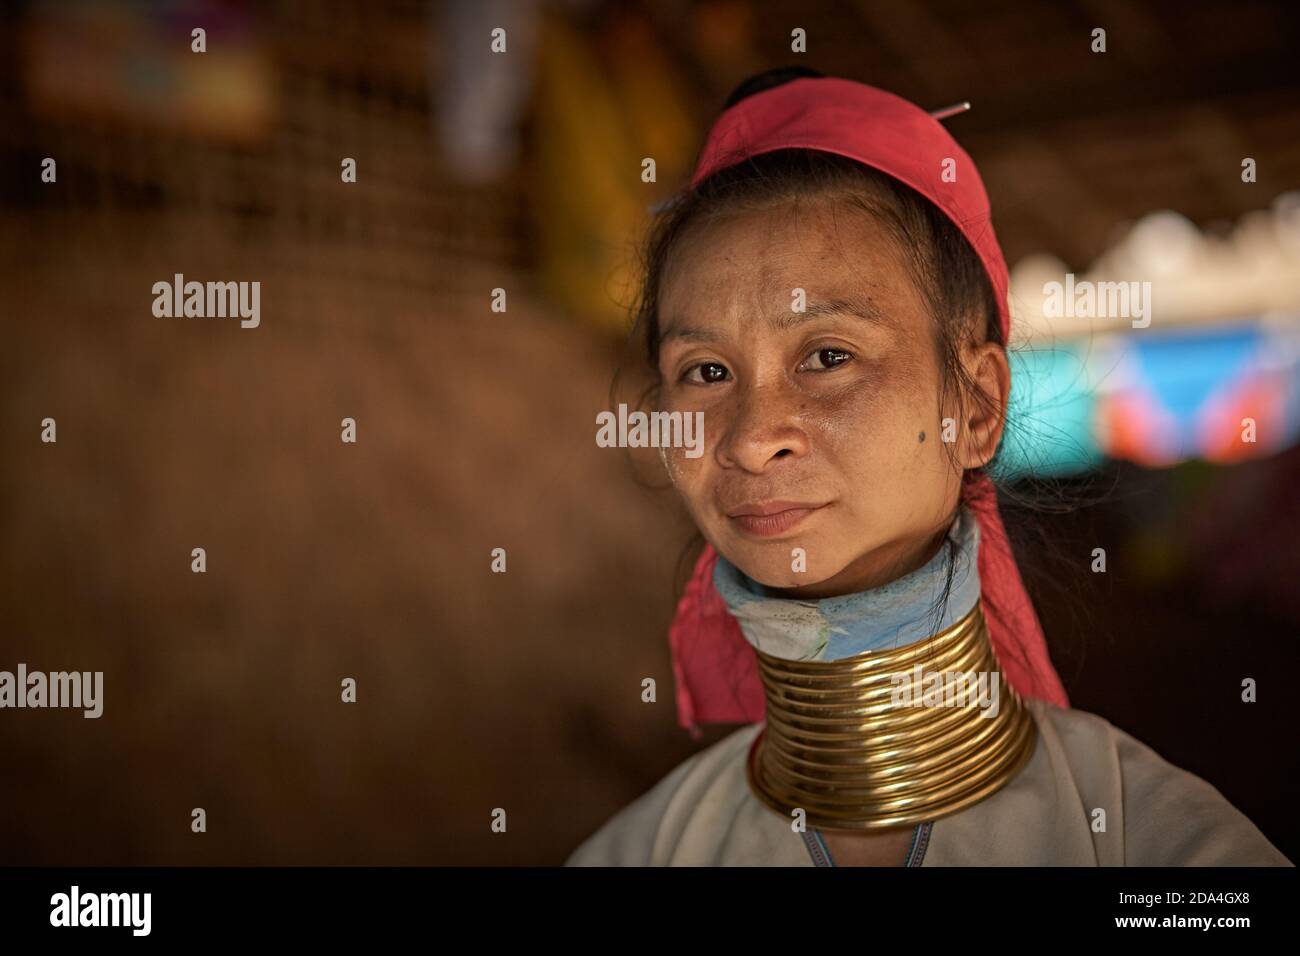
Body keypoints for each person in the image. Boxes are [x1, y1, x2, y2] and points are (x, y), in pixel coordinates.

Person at [566, 68, 1291, 866]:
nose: (748, 438)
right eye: (706, 371)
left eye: (829, 355)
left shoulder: (1154, 845)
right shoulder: (645, 852)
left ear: (976, 408)